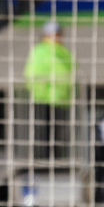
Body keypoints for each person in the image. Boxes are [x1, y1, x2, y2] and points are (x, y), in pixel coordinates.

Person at [23, 21, 74, 162]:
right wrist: (41, 90)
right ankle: (44, 160)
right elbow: (31, 74)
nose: (57, 37)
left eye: (58, 34)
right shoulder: (40, 51)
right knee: (44, 133)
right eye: (53, 34)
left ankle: (58, 159)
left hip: (61, 100)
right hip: (43, 99)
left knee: (60, 133)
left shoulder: (64, 52)